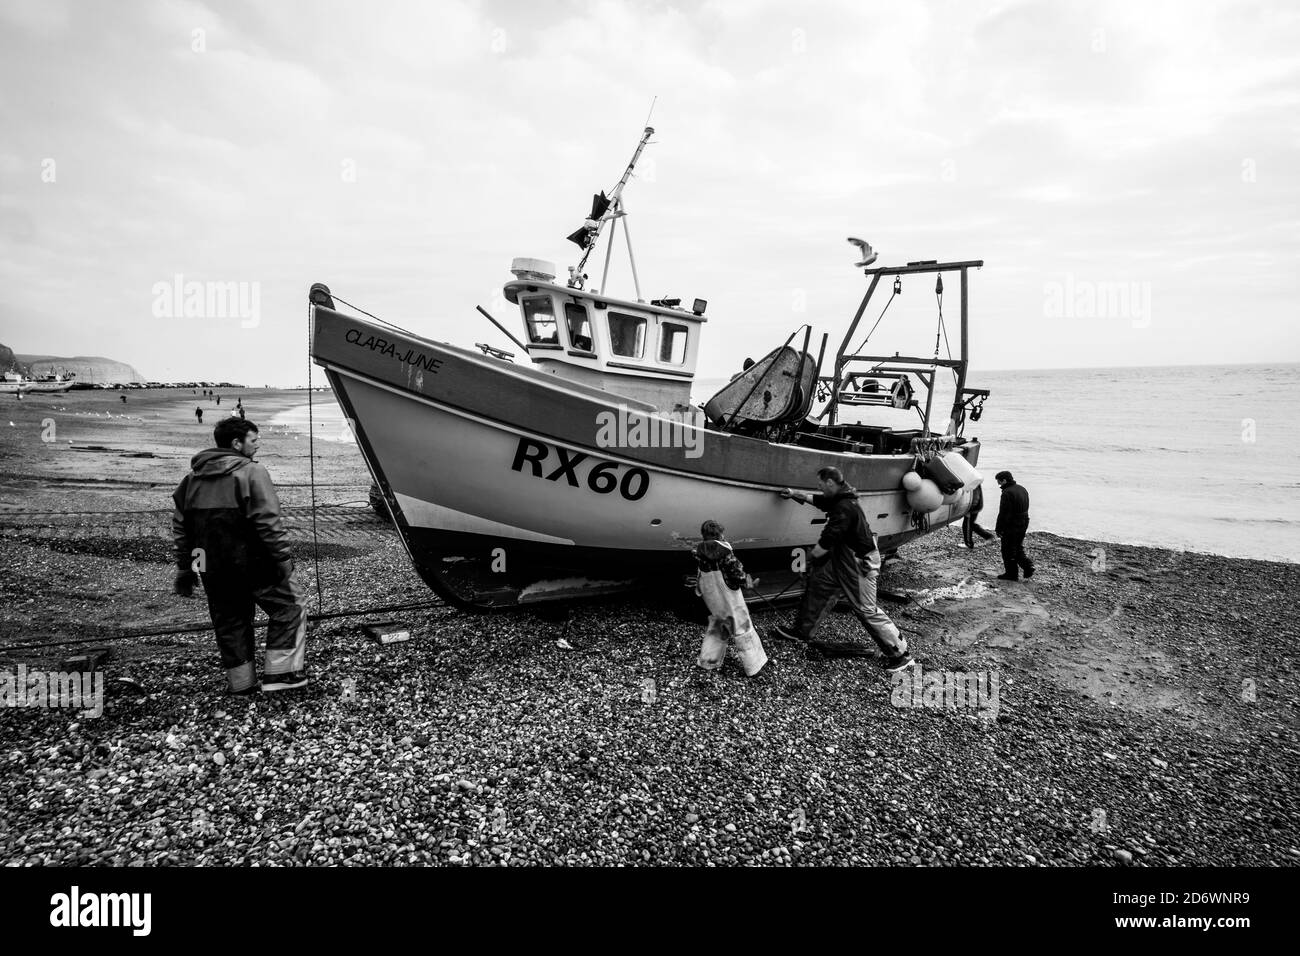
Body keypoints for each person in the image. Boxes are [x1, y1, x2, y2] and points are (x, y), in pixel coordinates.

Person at [171, 417, 308, 694]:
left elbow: (183, 529)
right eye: (254, 440)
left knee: (229, 620)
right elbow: (268, 522)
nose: (258, 445)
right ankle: (282, 676)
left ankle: (241, 683)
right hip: (255, 562)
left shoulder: (190, 480)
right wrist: (283, 559)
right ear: (237, 443)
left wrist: (188, 568)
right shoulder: (251, 473)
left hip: (212, 567)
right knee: (290, 608)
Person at [772, 467, 914, 671]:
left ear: (830, 483)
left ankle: (900, 654)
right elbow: (820, 501)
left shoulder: (845, 507)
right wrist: (795, 495)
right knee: (819, 586)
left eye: (820, 484)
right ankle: (802, 632)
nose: (818, 487)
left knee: (866, 610)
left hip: (859, 563)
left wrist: (808, 560)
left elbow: (828, 539)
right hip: (842, 559)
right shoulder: (840, 497)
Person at [691, 520, 767, 676]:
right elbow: (737, 574)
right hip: (730, 598)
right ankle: (754, 667)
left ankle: (708, 661)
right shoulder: (726, 553)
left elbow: (700, 576)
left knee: (718, 625)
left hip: (712, 597)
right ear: (720, 534)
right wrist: (748, 581)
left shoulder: (699, 554)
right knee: (742, 628)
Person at [994, 470, 1034, 581]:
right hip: (1024, 521)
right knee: (1017, 546)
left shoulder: (1007, 492)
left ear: (1004, 480)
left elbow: (1004, 513)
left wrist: (999, 528)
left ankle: (1012, 574)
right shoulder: (1022, 489)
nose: (998, 484)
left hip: (1012, 524)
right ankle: (1028, 566)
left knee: (1007, 549)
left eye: (999, 482)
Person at [961, 483, 995, 549]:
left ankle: (969, 544)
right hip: (975, 506)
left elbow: (975, 497)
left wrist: (969, 510)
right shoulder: (973, 479)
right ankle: (988, 536)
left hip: (973, 508)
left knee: (967, 525)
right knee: (971, 524)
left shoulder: (973, 482)